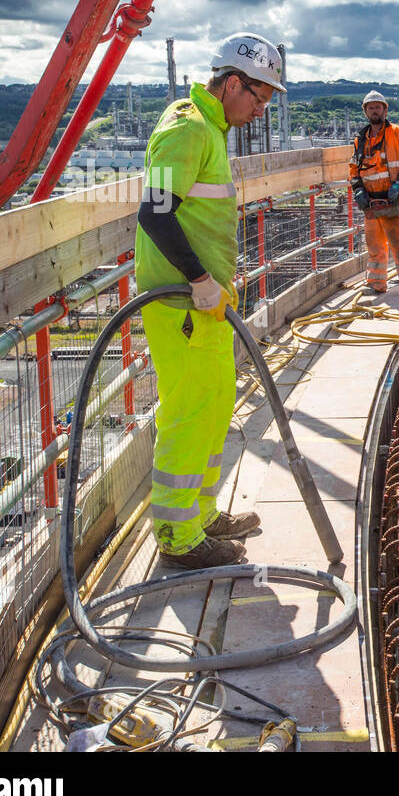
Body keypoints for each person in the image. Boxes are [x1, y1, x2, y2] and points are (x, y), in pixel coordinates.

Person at [134, 31, 286, 570]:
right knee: (188, 414)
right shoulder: (188, 129)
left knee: (216, 405)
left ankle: (199, 514)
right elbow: (154, 212)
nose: (262, 110)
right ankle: (177, 536)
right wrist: (198, 279)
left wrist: (210, 287)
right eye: (260, 97)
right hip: (183, 306)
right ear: (233, 83)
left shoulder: (212, 128)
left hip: (207, 306)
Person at [349, 91, 399, 295]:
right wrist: (358, 190)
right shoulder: (361, 139)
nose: (374, 111)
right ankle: (376, 283)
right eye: (370, 108)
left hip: (393, 198)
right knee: (374, 243)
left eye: (377, 107)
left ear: (385, 109)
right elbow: (353, 168)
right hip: (371, 201)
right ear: (365, 111)